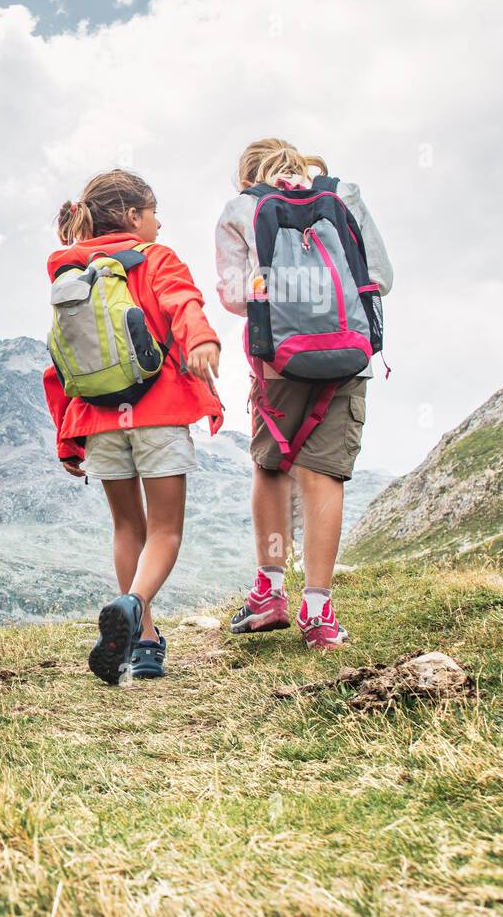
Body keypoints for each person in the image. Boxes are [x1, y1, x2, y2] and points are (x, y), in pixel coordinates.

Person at [44, 169, 221, 682]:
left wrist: (67, 437)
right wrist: (202, 341)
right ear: (131, 217)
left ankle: (143, 644)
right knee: (165, 530)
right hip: (158, 413)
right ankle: (134, 607)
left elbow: (58, 364)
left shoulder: (68, 276)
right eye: (153, 211)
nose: (159, 222)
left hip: (99, 421)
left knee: (127, 527)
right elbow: (183, 302)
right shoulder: (155, 259)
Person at [215, 138, 393, 649]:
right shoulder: (345, 197)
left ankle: (270, 592)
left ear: (248, 175)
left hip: (278, 362)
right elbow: (379, 278)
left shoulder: (242, 207)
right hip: (346, 356)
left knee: (272, 468)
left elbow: (232, 296)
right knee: (324, 475)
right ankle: (318, 611)